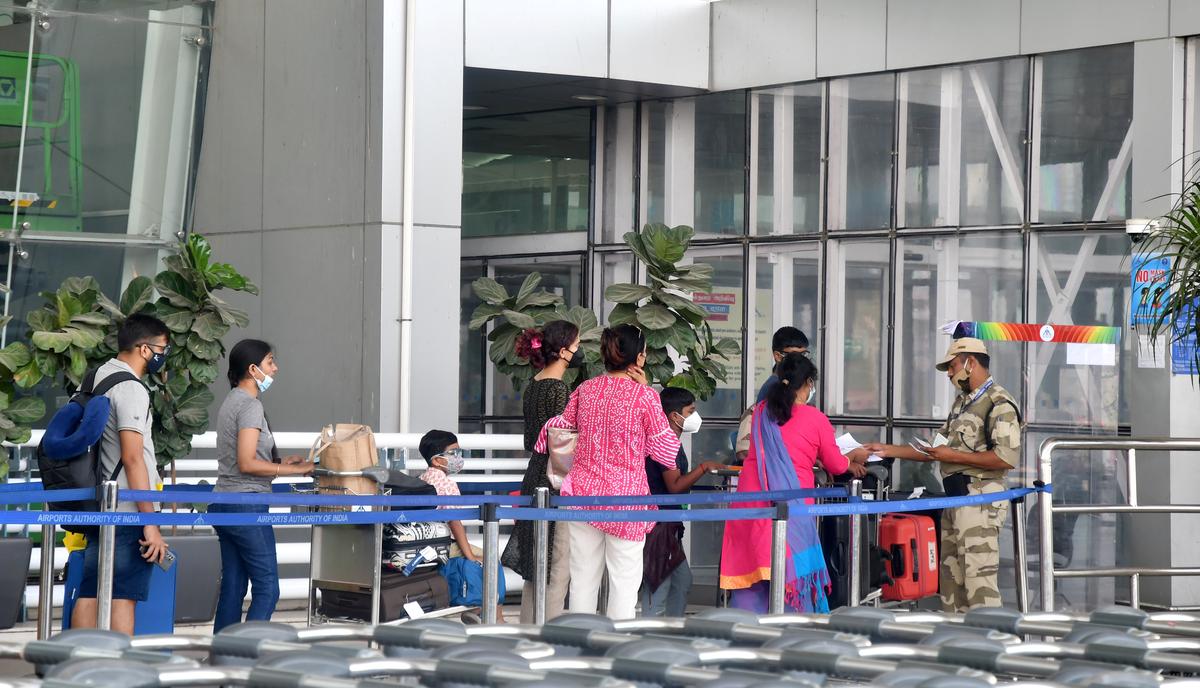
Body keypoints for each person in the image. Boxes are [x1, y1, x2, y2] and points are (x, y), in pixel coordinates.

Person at [535, 324, 681, 620]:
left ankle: (581, 638)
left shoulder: (586, 389)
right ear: (639, 358)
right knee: (624, 583)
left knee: (582, 579)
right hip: (626, 499)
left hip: (583, 494)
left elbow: (557, 429)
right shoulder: (644, 397)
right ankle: (616, 642)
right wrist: (647, 391)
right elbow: (666, 452)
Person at [865, 337, 1021, 613]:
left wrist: (954, 456)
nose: (949, 373)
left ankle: (993, 637)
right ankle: (956, 637)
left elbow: (1006, 458)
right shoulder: (963, 404)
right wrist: (888, 450)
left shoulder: (999, 403)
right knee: (952, 583)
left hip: (980, 503)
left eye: (952, 366)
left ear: (970, 363)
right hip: (955, 500)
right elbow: (935, 449)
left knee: (979, 584)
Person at [719, 353, 848, 613]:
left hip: (751, 504)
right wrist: (850, 461)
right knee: (790, 579)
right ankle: (789, 633)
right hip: (790, 507)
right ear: (809, 383)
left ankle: (744, 632)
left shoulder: (760, 412)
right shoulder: (815, 418)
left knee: (753, 579)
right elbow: (837, 465)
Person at [72, 314, 172, 634]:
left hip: (100, 503)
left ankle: (78, 659)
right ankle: (119, 663)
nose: (163, 356)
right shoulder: (130, 388)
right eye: (162, 349)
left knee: (91, 590)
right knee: (122, 597)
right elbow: (132, 457)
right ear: (145, 349)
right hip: (128, 509)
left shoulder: (96, 377)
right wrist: (150, 523)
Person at [211, 339, 315, 632]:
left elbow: (244, 459)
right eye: (270, 362)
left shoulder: (232, 401)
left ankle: (222, 652)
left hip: (224, 502)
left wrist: (281, 462)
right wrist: (296, 470)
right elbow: (246, 463)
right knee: (268, 588)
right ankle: (248, 651)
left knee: (234, 586)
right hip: (246, 505)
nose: (275, 368)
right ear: (253, 369)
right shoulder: (250, 405)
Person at [501, 320, 580, 624]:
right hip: (555, 479)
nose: (579, 351)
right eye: (576, 345)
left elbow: (530, 440)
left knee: (536, 564)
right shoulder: (558, 389)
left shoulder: (533, 384)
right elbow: (564, 443)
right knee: (556, 564)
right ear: (563, 350)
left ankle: (528, 628)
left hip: (534, 474)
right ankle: (549, 630)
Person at [640, 387, 724, 617]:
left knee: (682, 581)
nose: (695, 416)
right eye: (690, 411)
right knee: (659, 584)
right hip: (659, 524)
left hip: (668, 524)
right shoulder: (664, 444)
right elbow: (675, 486)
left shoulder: (670, 442)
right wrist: (703, 468)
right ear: (674, 416)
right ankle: (649, 633)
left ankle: (672, 629)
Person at [418, 430, 480, 561]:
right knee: (491, 558)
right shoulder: (447, 484)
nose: (458, 457)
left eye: (458, 452)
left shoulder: (421, 478)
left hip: (423, 543)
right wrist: (470, 556)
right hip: (444, 544)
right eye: (453, 453)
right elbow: (454, 522)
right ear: (436, 460)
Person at [755, 326, 810, 403]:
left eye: (803, 354)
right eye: (794, 355)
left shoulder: (788, 382)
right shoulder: (774, 388)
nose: (801, 360)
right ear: (778, 356)